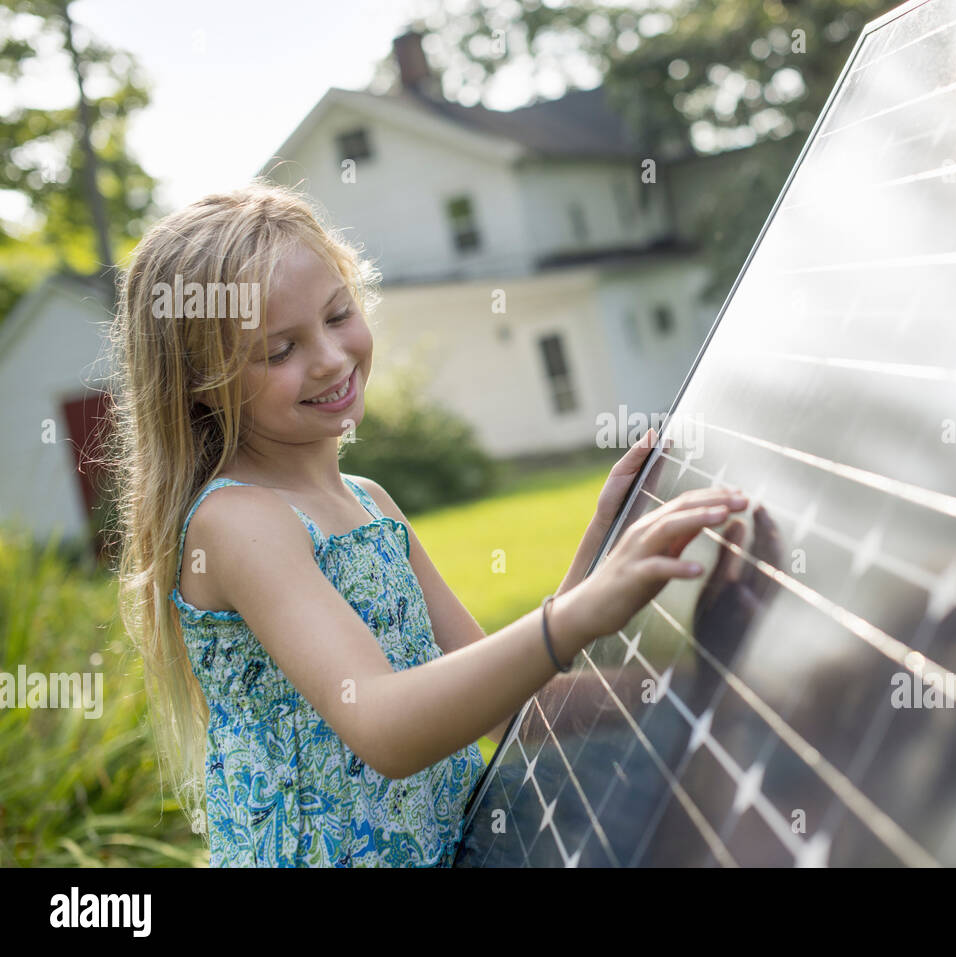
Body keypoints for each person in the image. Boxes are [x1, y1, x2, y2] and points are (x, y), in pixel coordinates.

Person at [104, 179, 750, 867]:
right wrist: (577, 617)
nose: (328, 357)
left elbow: (516, 711)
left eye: (337, 314)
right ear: (202, 383)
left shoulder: (373, 504)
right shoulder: (236, 524)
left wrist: (606, 551)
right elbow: (384, 724)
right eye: (279, 349)